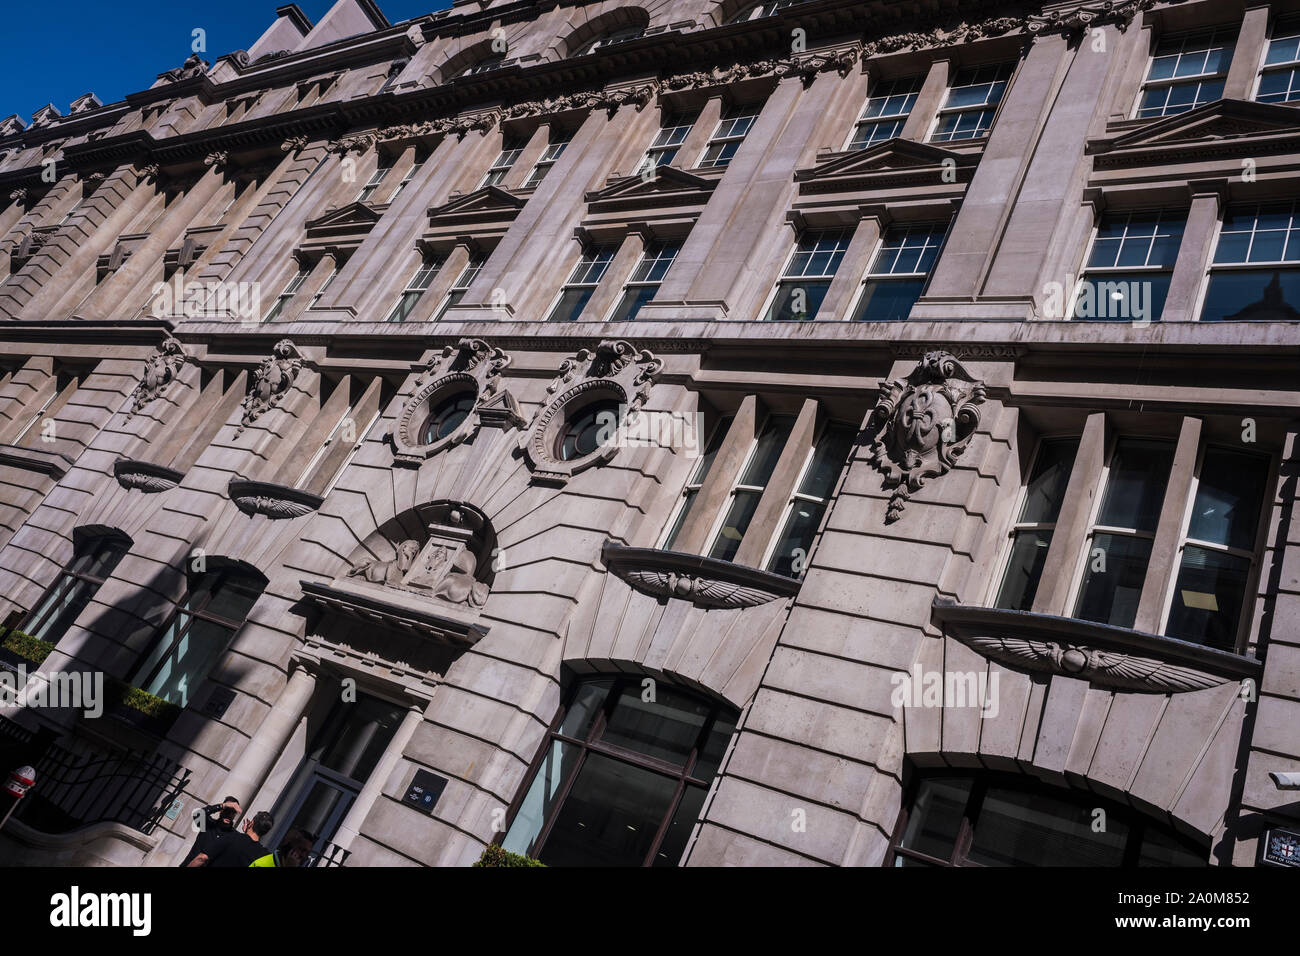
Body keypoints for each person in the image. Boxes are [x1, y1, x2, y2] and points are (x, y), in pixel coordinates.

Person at [180, 796, 241, 867]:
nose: (229, 815)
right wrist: (222, 805)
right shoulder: (207, 825)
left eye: (233, 812)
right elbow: (197, 814)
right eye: (227, 810)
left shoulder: (234, 836)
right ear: (221, 810)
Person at [202, 811, 274, 868]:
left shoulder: (232, 837)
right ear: (265, 833)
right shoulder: (263, 854)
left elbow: (202, 858)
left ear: (251, 823)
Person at [250, 828, 315, 868]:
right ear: (288, 844)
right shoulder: (262, 865)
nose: (303, 855)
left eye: (307, 853)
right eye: (301, 849)